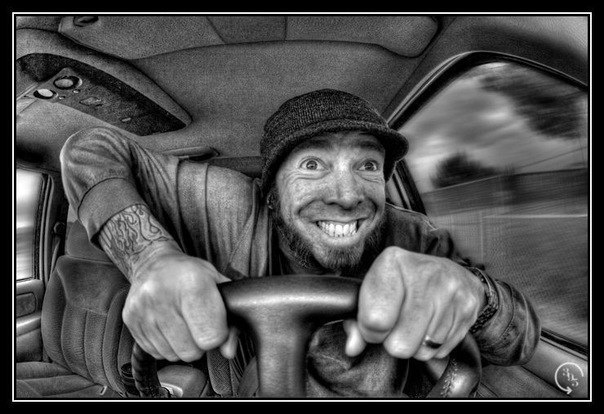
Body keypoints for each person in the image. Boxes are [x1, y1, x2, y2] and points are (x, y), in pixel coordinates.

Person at [60, 89, 540, 397]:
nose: (347, 195)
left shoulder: (414, 237)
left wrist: (473, 293)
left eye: (367, 165)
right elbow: (88, 150)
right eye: (313, 165)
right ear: (270, 193)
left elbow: (519, 340)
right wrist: (150, 259)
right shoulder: (228, 207)